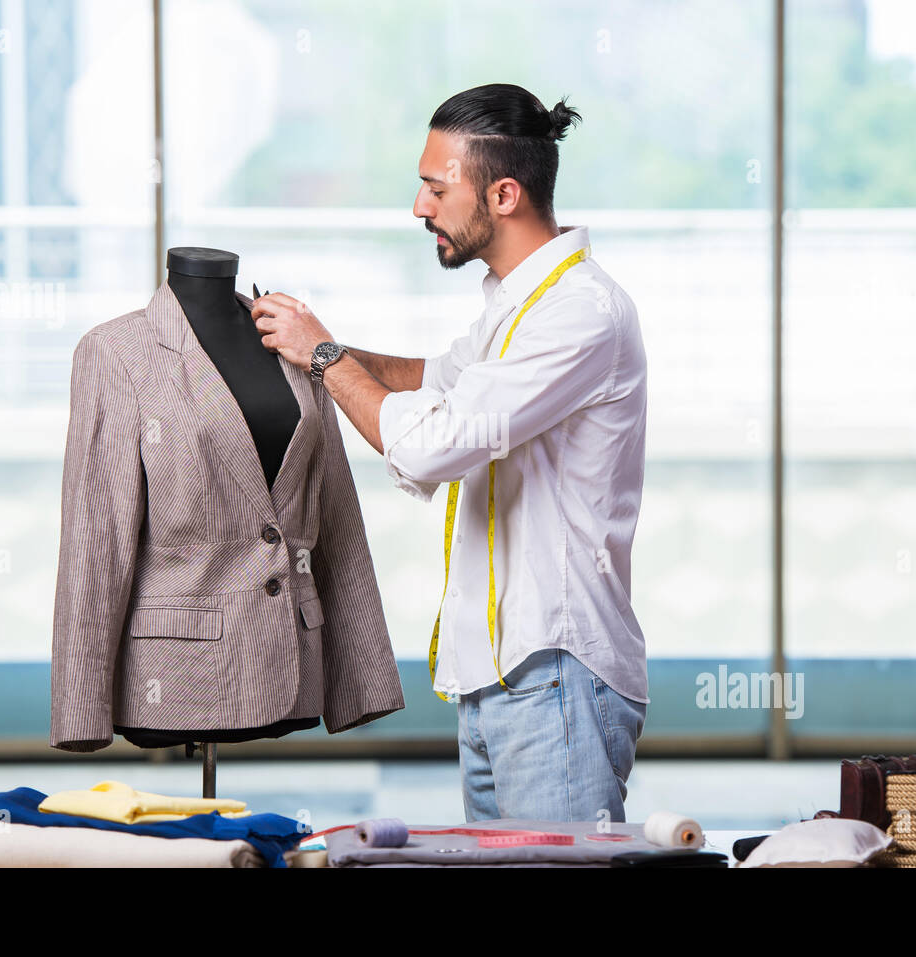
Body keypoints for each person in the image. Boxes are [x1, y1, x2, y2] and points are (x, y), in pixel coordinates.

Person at [250, 83, 648, 824]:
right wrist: (295, 341)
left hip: (554, 674)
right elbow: (430, 380)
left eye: (436, 187)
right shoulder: (517, 304)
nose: (419, 207)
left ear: (503, 194)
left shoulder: (579, 315)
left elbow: (433, 446)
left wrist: (323, 352)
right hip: (501, 678)